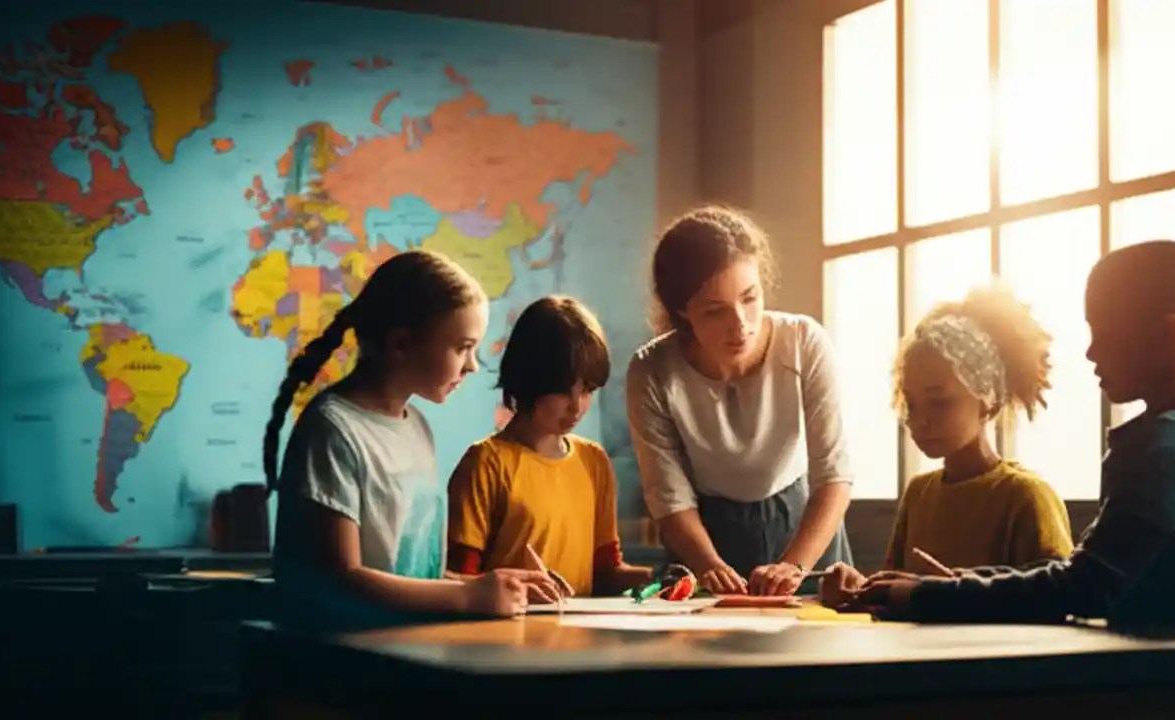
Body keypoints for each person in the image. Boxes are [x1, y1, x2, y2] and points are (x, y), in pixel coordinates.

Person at [855, 240, 1175, 627]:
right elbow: (1081, 571)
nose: (1091, 352)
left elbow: (1085, 585)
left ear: (1168, 335)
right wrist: (950, 585)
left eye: (1105, 334)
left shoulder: (1173, 443)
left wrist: (926, 596)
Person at [267, 249, 555, 632]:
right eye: (463, 348)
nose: (472, 365)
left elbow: (411, 573)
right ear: (401, 344)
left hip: (407, 645)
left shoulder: (417, 427)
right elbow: (342, 578)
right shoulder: (333, 429)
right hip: (342, 656)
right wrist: (467, 597)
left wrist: (498, 586)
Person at [626, 204, 854, 597]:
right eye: (715, 311)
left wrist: (795, 565)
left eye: (750, 298)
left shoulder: (803, 343)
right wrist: (709, 565)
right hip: (705, 534)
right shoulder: (652, 371)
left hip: (806, 526)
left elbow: (833, 473)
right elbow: (669, 497)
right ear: (681, 311)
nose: (740, 325)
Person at [820, 285, 1073, 606]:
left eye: (939, 402)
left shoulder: (1026, 496)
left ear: (988, 399)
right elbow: (896, 592)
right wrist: (857, 589)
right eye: (911, 404)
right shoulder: (919, 493)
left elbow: (1058, 599)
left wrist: (951, 591)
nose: (919, 420)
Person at [447, 296, 654, 596]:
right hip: (506, 624)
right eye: (562, 391)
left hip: (576, 624)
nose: (577, 407)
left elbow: (606, 571)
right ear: (530, 379)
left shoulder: (592, 461)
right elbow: (459, 580)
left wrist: (659, 577)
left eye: (587, 390)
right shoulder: (486, 464)